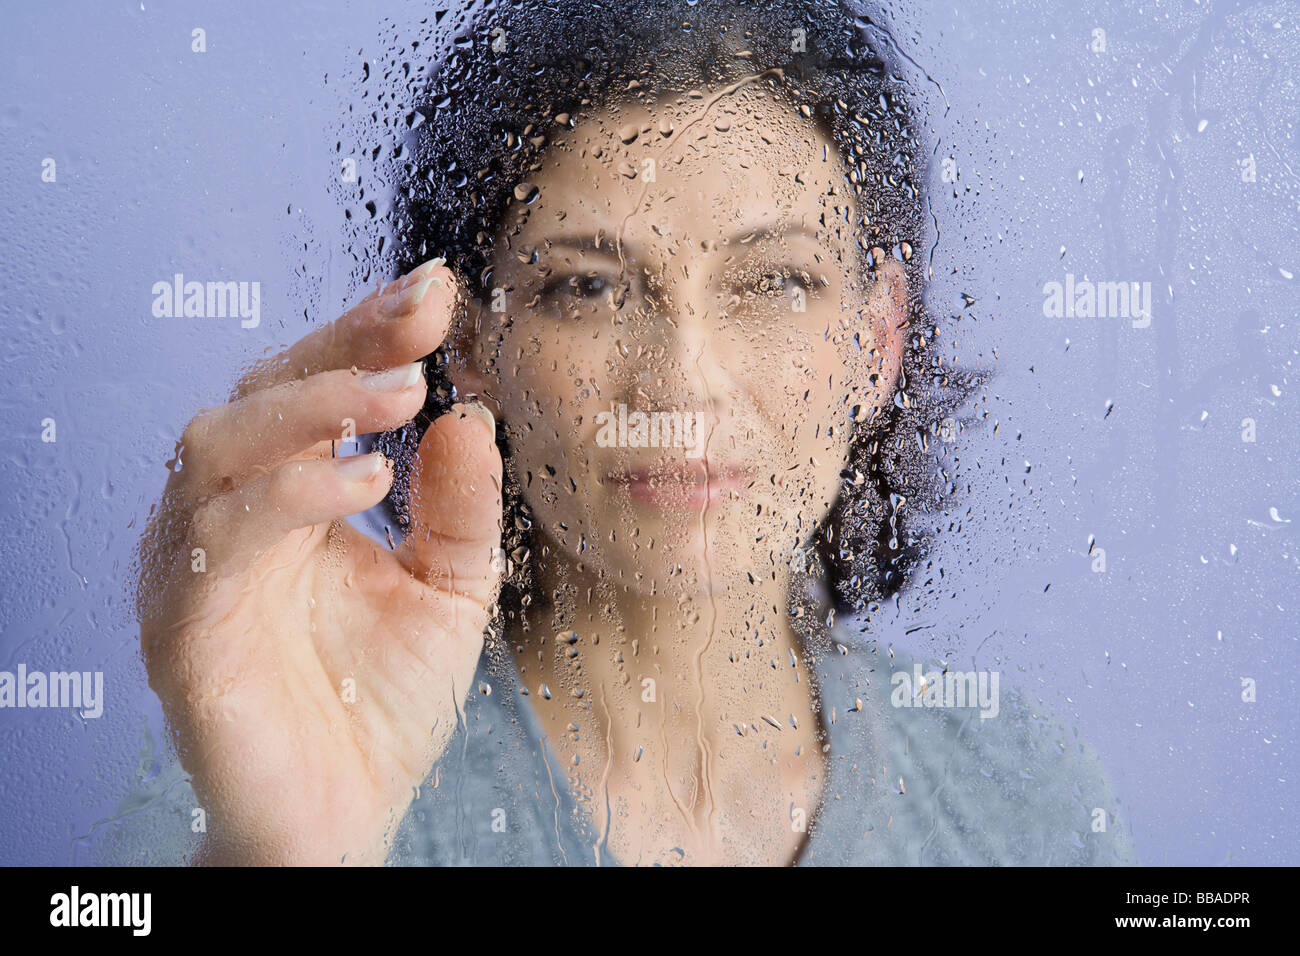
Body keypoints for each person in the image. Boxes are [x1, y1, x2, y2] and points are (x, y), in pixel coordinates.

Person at [105, 0, 1136, 866]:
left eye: (775, 280)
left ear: (876, 340)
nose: (680, 382)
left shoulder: (1026, 803)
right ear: (469, 344)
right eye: (585, 287)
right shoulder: (267, 766)